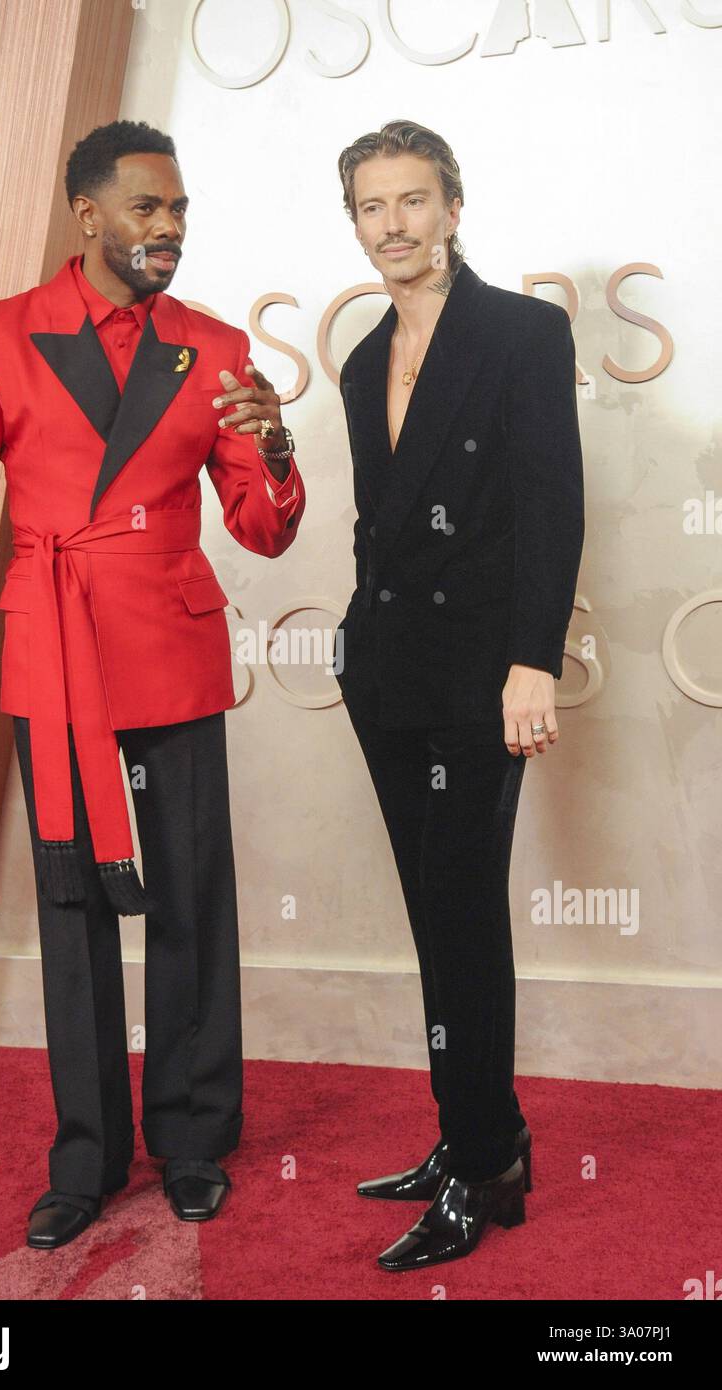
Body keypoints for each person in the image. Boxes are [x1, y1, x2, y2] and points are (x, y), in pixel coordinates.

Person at [0, 120, 304, 1250]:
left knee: (188, 895)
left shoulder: (217, 348)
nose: (170, 228)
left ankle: (189, 1141)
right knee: (72, 905)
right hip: (52, 656)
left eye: (181, 211)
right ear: (88, 216)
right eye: (148, 209)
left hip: (169, 651)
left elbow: (262, 532)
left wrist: (275, 451)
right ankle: (86, 1154)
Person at [332, 119, 584, 1269]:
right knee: (436, 915)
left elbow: (552, 505)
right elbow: (377, 530)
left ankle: (488, 1166)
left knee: (467, 916)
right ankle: (466, 1136)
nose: (394, 224)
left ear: (453, 207)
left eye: (413, 201)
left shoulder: (524, 334)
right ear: (356, 222)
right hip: (388, 679)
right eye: (373, 206)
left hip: (484, 678)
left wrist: (532, 659)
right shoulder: (354, 360)